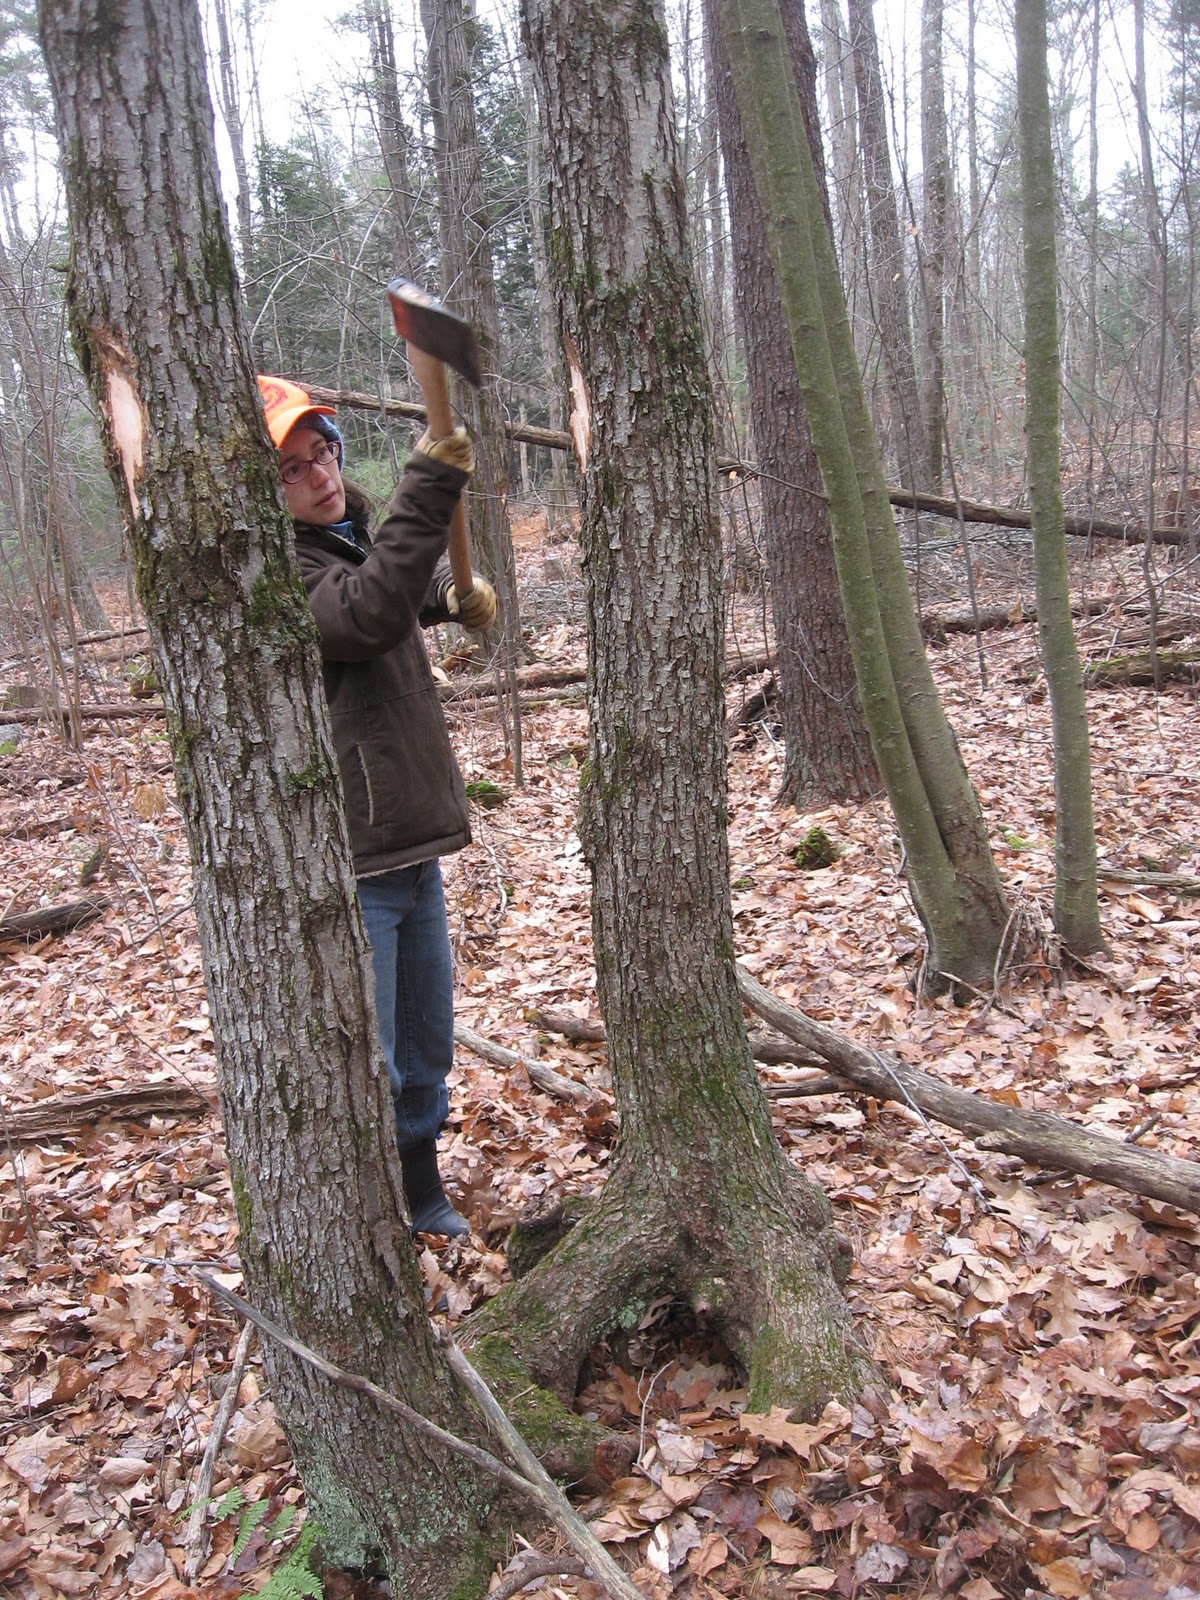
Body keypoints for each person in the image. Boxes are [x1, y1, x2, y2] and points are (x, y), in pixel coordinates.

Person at [257, 364, 497, 1237]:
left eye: (322, 456)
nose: (319, 477)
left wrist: (445, 596)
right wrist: (430, 485)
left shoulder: (348, 537)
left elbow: (386, 599)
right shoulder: (277, 572)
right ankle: (384, 1212)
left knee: (428, 1040)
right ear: (262, 491)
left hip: (411, 840)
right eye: (292, 469)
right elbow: (355, 618)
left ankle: (424, 1190)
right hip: (359, 855)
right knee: (383, 1052)